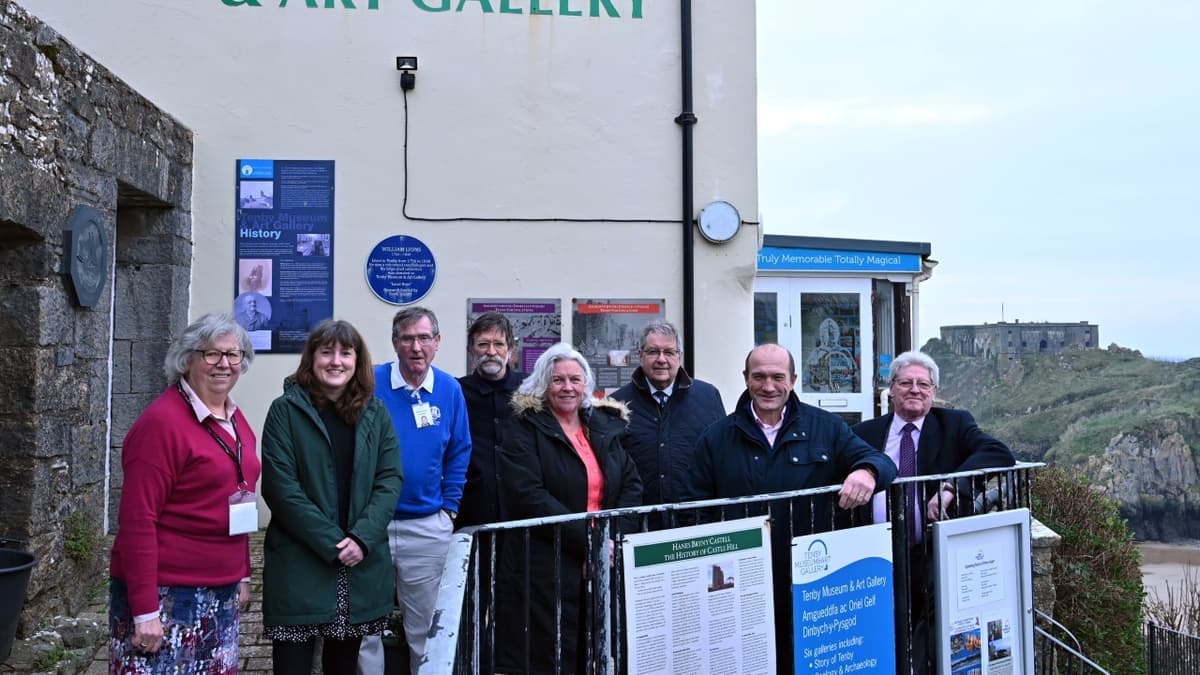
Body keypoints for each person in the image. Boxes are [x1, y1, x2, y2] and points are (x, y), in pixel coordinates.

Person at [682, 343, 895, 674]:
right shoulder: (716, 437)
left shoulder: (826, 426)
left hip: (812, 574)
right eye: (760, 377)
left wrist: (866, 471)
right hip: (743, 577)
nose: (768, 386)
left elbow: (881, 461)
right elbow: (694, 508)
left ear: (793, 379)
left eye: (777, 376)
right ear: (746, 379)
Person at [108, 313, 260, 672]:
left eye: (233, 355)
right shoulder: (161, 424)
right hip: (168, 596)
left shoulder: (233, 417)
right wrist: (145, 611)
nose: (224, 364)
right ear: (187, 358)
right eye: (211, 354)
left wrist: (242, 572)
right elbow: (136, 520)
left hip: (219, 591)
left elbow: (237, 496)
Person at [851, 350, 1014, 670]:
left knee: (935, 637)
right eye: (906, 383)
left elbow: (999, 453)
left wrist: (951, 487)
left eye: (923, 385)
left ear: (934, 392)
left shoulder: (955, 424)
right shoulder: (865, 433)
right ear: (891, 388)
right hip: (877, 550)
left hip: (933, 550)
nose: (915, 390)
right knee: (882, 632)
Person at [260, 320, 404, 674]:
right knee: (291, 666)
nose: (335, 361)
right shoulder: (285, 410)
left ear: (358, 360)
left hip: (357, 567)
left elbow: (389, 479)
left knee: (342, 666)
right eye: (326, 352)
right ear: (312, 359)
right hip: (301, 563)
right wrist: (334, 542)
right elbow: (281, 488)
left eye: (345, 353)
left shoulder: (376, 412)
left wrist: (361, 538)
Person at [495, 342, 643, 674]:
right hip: (545, 564)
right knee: (549, 657)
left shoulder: (603, 426)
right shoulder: (524, 428)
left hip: (603, 556)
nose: (567, 387)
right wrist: (590, 546)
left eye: (575, 380)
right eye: (558, 380)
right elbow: (529, 495)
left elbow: (630, 483)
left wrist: (613, 542)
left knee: (595, 652)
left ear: (586, 385)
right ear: (543, 384)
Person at [359, 307, 472, 675]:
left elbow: (459, 449)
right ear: (395, 343)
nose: (416, 347)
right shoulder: (370, 384)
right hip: (371, 526)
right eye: (407, 338)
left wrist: (450, 509)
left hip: (427, 526)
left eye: (424, 338)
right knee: (367, 626)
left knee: (424, 628)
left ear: (437, 343)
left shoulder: (449, 389)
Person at [610, 320, 724, 526]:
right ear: (640, 356)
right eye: (653, 351)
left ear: (679, 356)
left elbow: (722, 455)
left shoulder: (708, 397)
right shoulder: (616, 405)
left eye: (669, 352)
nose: (661, 359)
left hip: (696, 521)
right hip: (639, 525)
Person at [457, 312, 526, 528]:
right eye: (483, 344)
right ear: (471, 350)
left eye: (499, 344)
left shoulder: (530, 390)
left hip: (522, 511)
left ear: (510, 350)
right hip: (471, 510)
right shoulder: (457, 392)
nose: (491, 352)